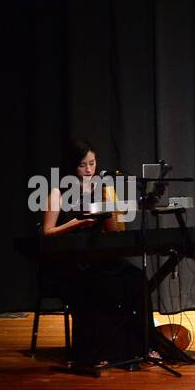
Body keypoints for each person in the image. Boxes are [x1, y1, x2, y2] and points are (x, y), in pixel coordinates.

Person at [41, 139, 145, 368]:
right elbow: (47, 232)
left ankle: (138, 347)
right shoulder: (58, 192)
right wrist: (76, 223)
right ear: (71, 165)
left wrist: (110, 211)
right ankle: (97, 351)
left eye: (92, 163)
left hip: (98, 258)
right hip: (69, 262)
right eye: (82, 165)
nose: (89, 170)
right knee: (97, 285)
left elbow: (113, 233)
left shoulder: (101, 191)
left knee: (135, 277)